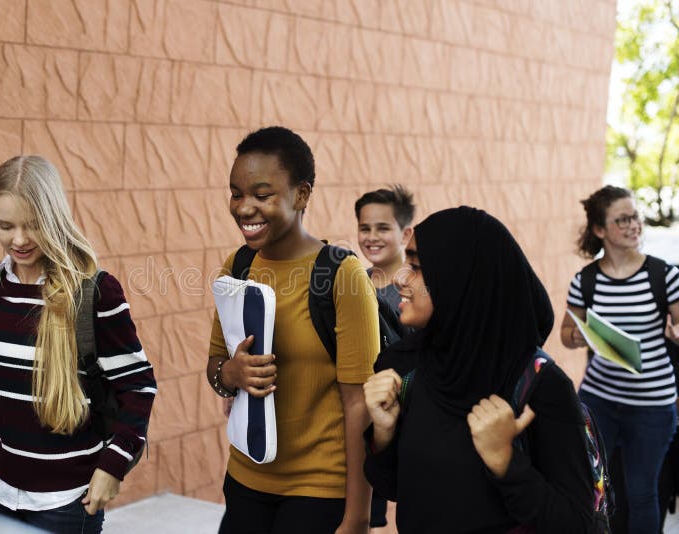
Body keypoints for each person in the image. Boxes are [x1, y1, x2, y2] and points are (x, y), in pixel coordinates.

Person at [0, 155, 157, 533]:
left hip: (64, 502)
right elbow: (8, 376)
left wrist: (112, 465)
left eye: (32, 226)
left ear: (55, 218)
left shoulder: (94, 293)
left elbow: (138, 386)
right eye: (5, 226)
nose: (18, 239)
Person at [364, 206, 595, 533]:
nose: (400, 278)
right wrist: (383, 435)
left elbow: (576, 523)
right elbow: (392, 488)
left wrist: (506, 462)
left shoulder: (538, 384)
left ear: (460, 279)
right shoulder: (403, 366)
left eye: (416, 266)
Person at [208, 126, 380, 534]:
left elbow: (360, 405)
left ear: (301, 195)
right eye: (236, 193)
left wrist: (357, 516)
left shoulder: (343, 275)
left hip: (318, 490)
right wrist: (229, 375)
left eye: (262, 195)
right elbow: (216, 364)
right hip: (246, 477)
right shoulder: (238, 267)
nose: (244, 208)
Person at [560, 185, 679, 533]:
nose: (633, 225)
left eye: (635, 217)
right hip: (599, 402)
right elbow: (567, 334)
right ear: (600, 230)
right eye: (622, 219)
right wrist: (577, 335)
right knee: (590, 487)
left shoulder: (665, 275)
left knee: (642, 493)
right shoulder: (585, 281)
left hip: (653, 407)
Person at [354, 185, 415, 530]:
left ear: (405, 233)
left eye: (383, 228)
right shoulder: (353, 284)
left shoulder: (415, 289)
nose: (372, 237)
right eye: (365, 228)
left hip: (397, 420)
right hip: (358, 417)